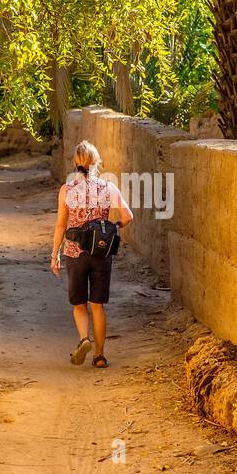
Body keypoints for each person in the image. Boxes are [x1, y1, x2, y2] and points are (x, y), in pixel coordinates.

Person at [51, 141, 133, 369]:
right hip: (101, 252)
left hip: (75, 252)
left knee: (79, 304)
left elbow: (60, 225)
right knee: (97, 305)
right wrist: (113, 225)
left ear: (75, 163)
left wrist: (54, 255)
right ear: (96, 162)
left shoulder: (67, 191)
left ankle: (84, 339)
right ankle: (99, 356)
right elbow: (128, 216)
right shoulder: (108, 188)